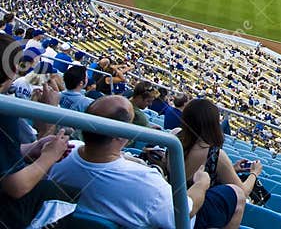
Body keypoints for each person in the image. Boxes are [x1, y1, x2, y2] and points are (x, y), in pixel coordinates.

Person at [50, 95, 240, 228]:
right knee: (234, 193)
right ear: (122, 136)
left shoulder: (60, 152)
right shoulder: (145, 180)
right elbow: (185, 210)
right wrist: (202, 184)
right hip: (179, 218)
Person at [0, 34, 73, 229]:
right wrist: (49, 155)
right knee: (64, 194)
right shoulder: (4, 109)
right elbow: (16, 187)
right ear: (12, 71)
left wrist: (30, 148)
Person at [176, 98, 251, 229]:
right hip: (196, 212)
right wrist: (254, 173)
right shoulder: (216, 155)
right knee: (237, 194)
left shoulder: (175, 139)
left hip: (173, 202)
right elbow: (244, 192)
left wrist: (231, 169)